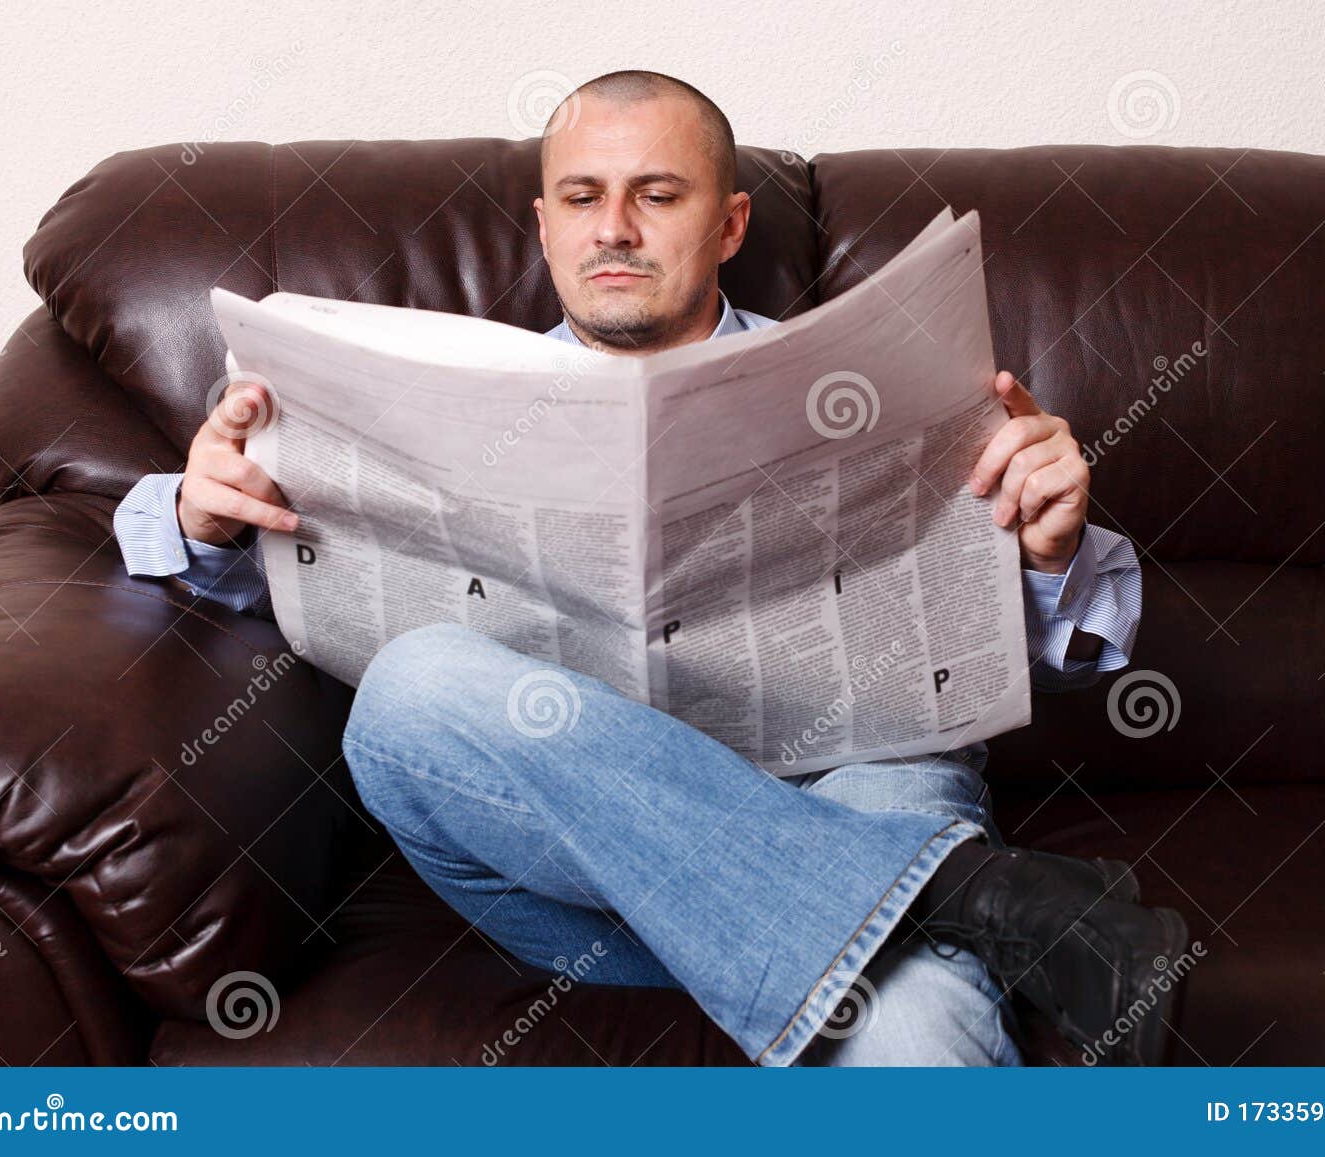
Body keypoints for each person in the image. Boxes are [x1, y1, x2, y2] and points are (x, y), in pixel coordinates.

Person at [113, 70, 1186, 1067]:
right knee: (410, 689)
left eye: (655, 194)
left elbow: (1055, 647)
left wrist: (1047, 546)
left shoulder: (883, 387)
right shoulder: (436, 394)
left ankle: (893, 907)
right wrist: (199, 513)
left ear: (727, 225)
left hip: (851, 781)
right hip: (573, 865)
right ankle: (960, 894)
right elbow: (235, 566)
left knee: (908, 1020)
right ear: (543, 224)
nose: (613, 228)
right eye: (580, 196)